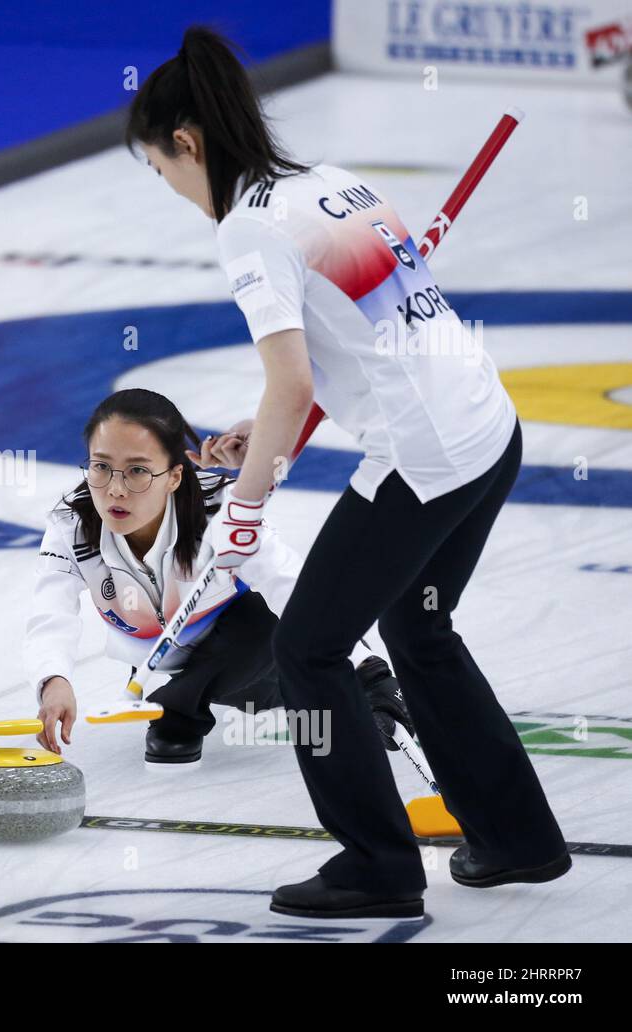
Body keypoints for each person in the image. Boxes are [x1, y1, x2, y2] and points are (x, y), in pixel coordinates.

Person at [124, 26, 568, 917]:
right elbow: (364, 336)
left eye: (163, 172)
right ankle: (517, 839)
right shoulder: (330, 183)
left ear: (188, 143)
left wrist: (244, 508)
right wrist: (271, 431)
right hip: (488, 427)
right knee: (420, 628)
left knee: (308, 646)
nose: (173, 192)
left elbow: (291, 377)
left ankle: (377, 865)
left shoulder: (249, 228)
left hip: (427, 458)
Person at [27, 388, 410, 765]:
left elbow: (291, 586)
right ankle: (178, 701)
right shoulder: (71, 525)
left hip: (259, 663)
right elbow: (51, 611)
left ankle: (177, 712)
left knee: (258, 623)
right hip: (161, 663)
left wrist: (369, 671)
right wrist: (53, 680)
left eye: (138, 470)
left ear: (175, 476)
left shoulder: (225, 509)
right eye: (101, 466)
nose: (115, 489)